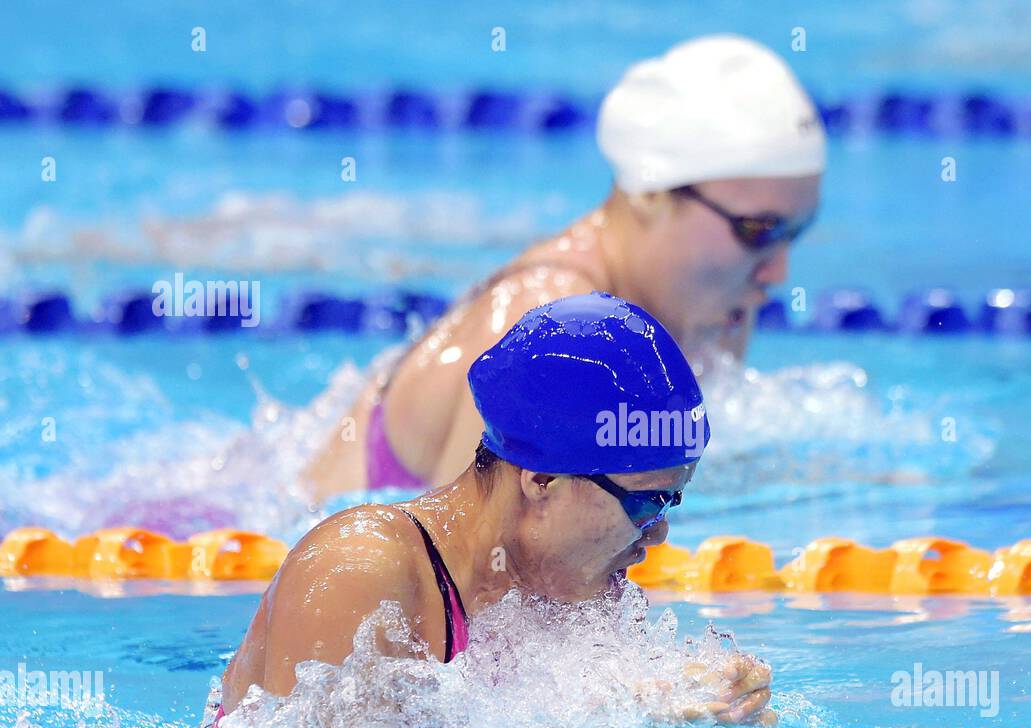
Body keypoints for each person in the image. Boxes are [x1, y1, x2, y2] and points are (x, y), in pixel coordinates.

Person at [212, 293, 774, 728]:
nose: (657, 535)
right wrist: (611, 722)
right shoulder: (359, 568)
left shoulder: (562, 587)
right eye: (646, 503)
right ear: (543, 481)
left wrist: (708, 704)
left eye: (671, 502)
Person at [304, 34, 825, 499]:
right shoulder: (547, 319)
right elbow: (469, 571)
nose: (778, 273)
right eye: (758, 231)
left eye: (795, 234)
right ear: (651, 195)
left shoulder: (719, 303)